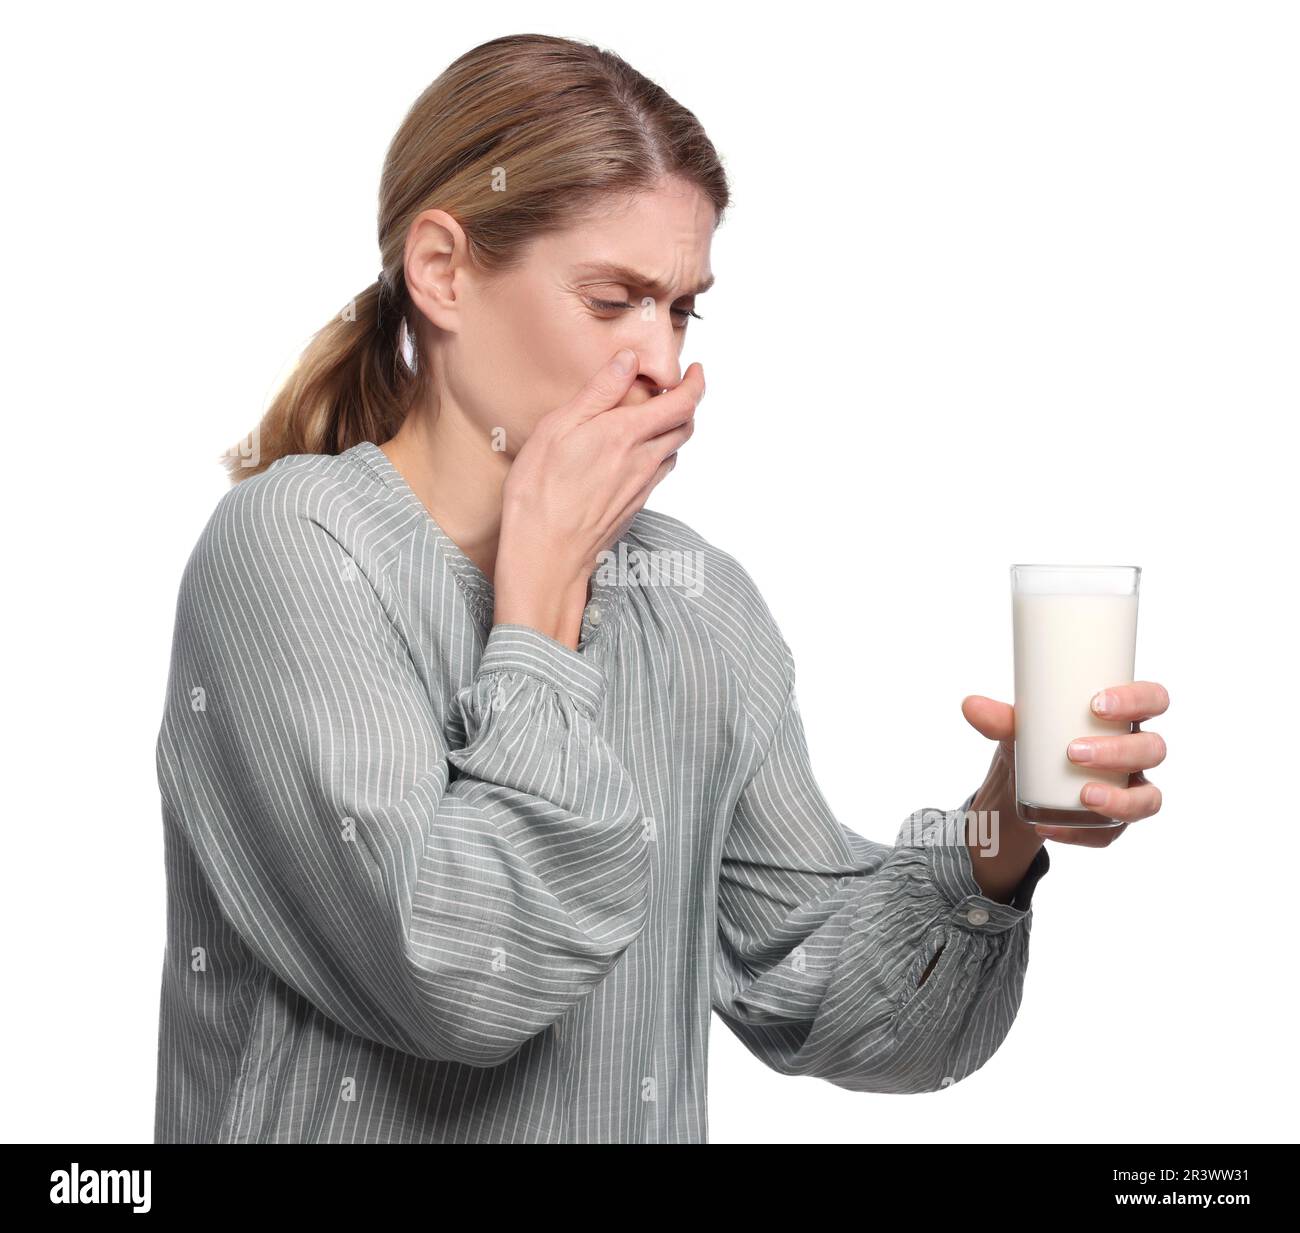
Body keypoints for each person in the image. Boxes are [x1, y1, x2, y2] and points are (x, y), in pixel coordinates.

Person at [154, 32, 1169, 1143]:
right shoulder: (292, 550)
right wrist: (537, 612)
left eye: (681, 309)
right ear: (442, 271)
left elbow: (818, 996)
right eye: (611, 300)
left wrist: (1001, 826)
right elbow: (453, 975)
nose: (662, 365)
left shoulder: (696, 602)